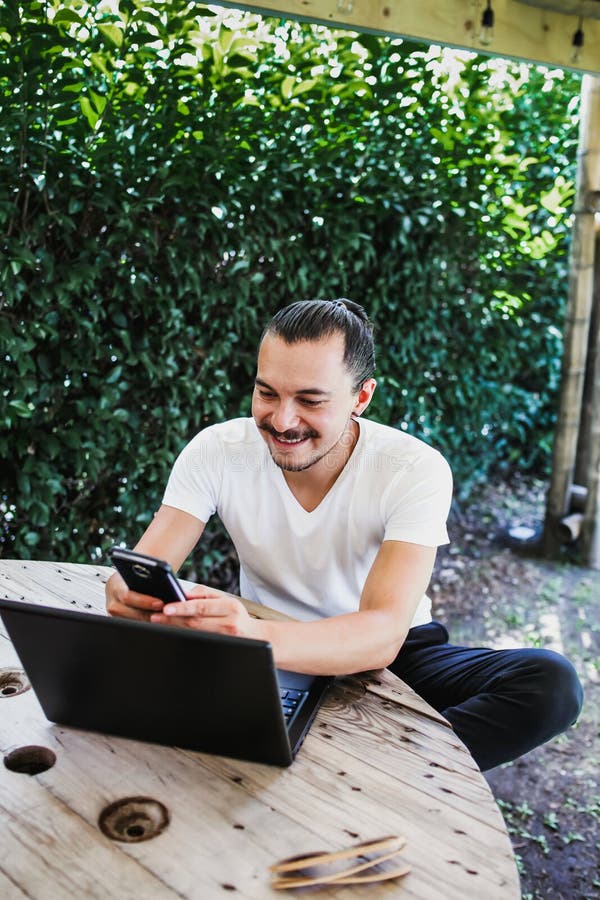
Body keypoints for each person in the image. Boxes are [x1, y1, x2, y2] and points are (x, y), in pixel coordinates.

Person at [106, 298, 583, 771]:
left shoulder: (413, 468)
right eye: (267, 393)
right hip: (267, 647)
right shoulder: (217, 450)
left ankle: (379, 776)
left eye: (310, 400)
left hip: (387, 657)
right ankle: (370, 771)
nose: (282, 420)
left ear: (362, 397)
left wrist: (252, 636)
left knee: (551, 685)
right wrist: (132, 594)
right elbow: (145, 568)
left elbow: (381, 634)